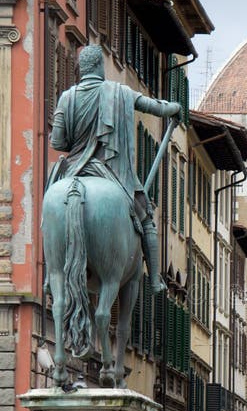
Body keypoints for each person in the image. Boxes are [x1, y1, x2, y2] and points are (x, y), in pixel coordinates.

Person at [49, 43, 181, 294]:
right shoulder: (121, 92)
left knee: (51, 204)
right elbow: (157, 108)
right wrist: (174, 108)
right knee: (147, 219)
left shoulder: (67, 97)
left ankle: (49, 275)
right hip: (111, 171)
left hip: (75, 170)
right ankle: (154, 280)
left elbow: (57, 143)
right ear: (100, 66)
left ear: (81, 69)